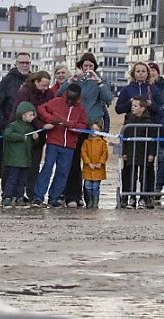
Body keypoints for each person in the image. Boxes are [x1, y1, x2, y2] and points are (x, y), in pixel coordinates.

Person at [61, 53, 114, 207]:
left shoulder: (100, 82)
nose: (88, 69)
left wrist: (98, 82)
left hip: (93, 126)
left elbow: (109, 98)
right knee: (74, 161)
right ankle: (72, 195)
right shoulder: (76, 81)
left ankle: (90, 196)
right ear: (80, 66)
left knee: (92, 161)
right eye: (86, 66)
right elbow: (60, 95)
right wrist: (71, 80)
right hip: (76, 125)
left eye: (91, 66)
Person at [35, 83, 87, 208]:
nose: (70, 100)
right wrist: (51, 119)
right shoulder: (56, 102)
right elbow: (41, 109)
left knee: (63, 172)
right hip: (54, 141)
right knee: (47, 168)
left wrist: (72, 126)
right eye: (69, 96)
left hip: (69, 144)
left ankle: (54, 197)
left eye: (73, 98)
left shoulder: (80, 108)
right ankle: (38, 197)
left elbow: (83, 125)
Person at [12, 71, 53, 203]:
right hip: (25, 131)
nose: (45, 88)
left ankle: (31, 193)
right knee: (19, 165)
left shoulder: (48, 94)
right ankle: (15, 193)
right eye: (43, 85)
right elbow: (23, 113)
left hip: (39, 135)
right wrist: (41, 124)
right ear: (36, 82)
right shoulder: (24, 92)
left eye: (47, 85)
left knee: (34, 165)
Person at [119, 97, 157, 208]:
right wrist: (124, 152)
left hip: (144, 152)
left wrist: (151, 153)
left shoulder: (149, 122)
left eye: (135, 106)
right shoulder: (128, 120)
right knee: (130, 175)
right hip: (131, 152)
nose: (133, 108)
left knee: (144, 176)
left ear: (143, 108)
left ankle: (144, 197)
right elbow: (124, 137)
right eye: (132, 106)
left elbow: (152, 139)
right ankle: (130, 197)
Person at [2, 101, 38, 208]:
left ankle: (19, 197)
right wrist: (21, 137)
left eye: (33, 115)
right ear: (23, 115)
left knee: (22, 180)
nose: (32, 117)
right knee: (12, 179)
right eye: (30, 115)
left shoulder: (30, 128)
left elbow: (31, 144)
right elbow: (7, 135)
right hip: (14, 159)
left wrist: (35, 139)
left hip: (25, 159)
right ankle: (7, 197)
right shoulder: (13, 126)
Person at [0, 53, 31, 118]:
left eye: (27, 63)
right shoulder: (7, 80)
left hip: (29, 122)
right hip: (10, 121)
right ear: (16, 64)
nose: (25, 65)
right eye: (22, 63)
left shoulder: (33, 80)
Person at [80, 121, 108, 209]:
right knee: (87, 186)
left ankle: (95, 201)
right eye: (92, 130)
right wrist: (88, 162)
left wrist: (100, 162)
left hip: (98, 168)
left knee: (96, 186)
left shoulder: (102, 143)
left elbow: (105, 154)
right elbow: (83, 153)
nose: (94, 132)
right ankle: (90, 200)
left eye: (97, 129)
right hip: (88, 168)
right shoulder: (86, 142)